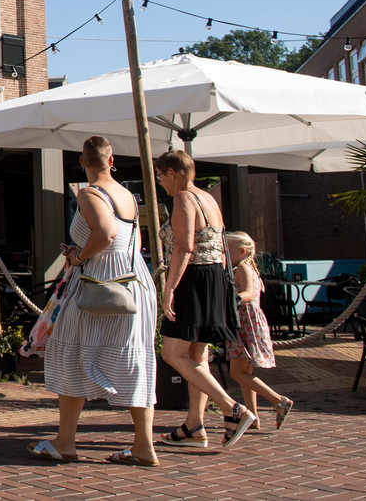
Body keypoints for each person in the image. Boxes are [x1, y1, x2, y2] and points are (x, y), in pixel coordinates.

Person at [27, 135, 158, 466]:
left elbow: (105, 233)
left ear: (82, 162)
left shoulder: (88, 192)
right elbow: (131, 241)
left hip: (98, 282)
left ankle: (65, 441)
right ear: (111, 160)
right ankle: (143, 446)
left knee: (69, 351)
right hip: (134, 281)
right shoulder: (127, 194)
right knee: (134, 359)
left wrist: (79, 257)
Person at [156, 149, 258, 449]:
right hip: (215, 278)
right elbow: (221, 245)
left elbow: (184, 247)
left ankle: (233, 409)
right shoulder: (209, 199)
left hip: (193, 278)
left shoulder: (183, 198)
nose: (161, 182)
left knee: (173, 353)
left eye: (162, 176)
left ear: (172, 172)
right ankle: (194, 425)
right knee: (197, 356)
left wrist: (169, 288)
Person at [224, 231, 294, 431]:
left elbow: (248, 294)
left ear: (242, 251)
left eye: (228, 249)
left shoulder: (243, 268)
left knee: (237, 373)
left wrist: (229, 300)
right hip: (251, 323)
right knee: (245, 373)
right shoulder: (251, 269)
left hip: (244, 323)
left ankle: (279, 401)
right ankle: (253, 417)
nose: (225, 253)